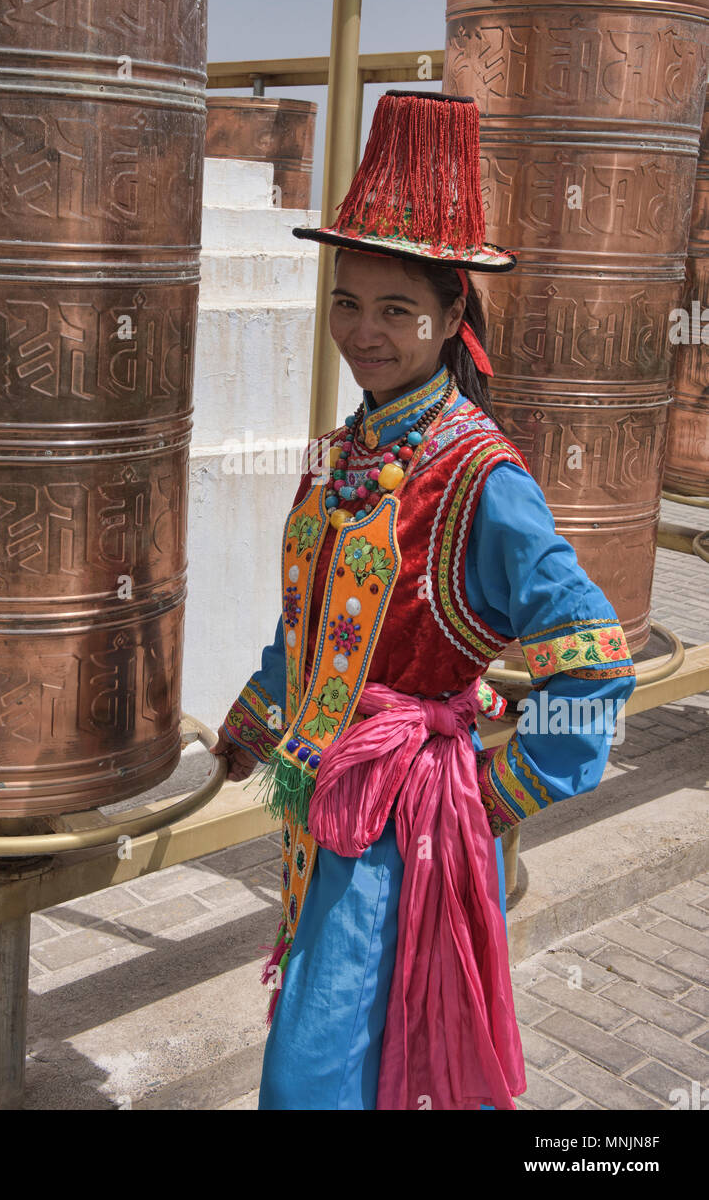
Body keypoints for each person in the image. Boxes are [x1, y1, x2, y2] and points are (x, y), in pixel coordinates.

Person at [211, 90, 636, 1111]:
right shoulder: (341, 449)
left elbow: (596, 663)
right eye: (347, 303)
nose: (363, 332)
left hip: (409, 828)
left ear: (451, 322)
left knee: (326, 1072)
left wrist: (494, 796)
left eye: (396, 310)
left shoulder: (482, 479)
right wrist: (255, 718)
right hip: (328, 806)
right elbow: (313, 622)